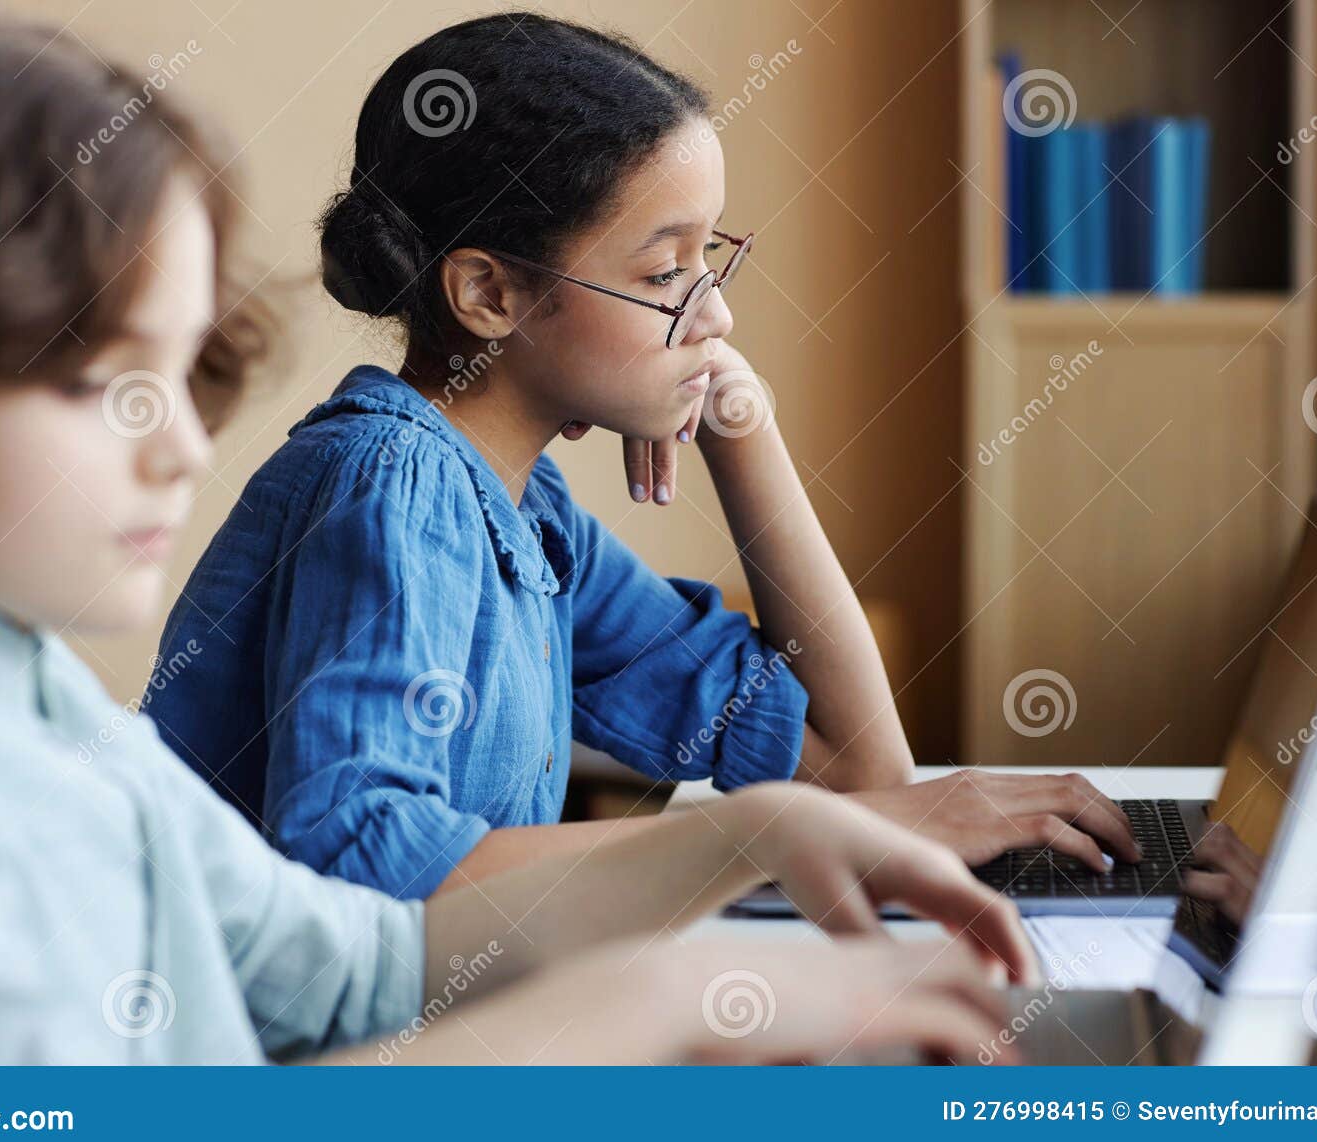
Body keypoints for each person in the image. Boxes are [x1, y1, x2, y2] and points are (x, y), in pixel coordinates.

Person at [0, 1, 1033, 1065]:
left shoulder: (18, 680)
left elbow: (352, 957)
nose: (181, 444)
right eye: (97, 380)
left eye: (182, 372)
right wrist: (670, 996)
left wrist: (760, 829)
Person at [146, 12, 1142, 900]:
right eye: (666, 272)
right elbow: (355, 857)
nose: (717, 311)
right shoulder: (394, 488)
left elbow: (849, 770)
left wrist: (741, 430)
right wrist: (749, 838)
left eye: (710, 259)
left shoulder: (527, 518)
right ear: (488, 295)